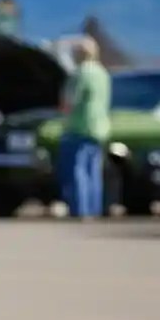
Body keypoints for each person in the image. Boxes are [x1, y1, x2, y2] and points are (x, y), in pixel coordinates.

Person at [57, 36, 111, 219]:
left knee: (77, 170)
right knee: (93, 170)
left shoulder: (80, 74)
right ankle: (94, 208)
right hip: (99, 127)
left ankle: (80, 209)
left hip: (79, 126)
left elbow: (70, 101)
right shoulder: (102, 73)